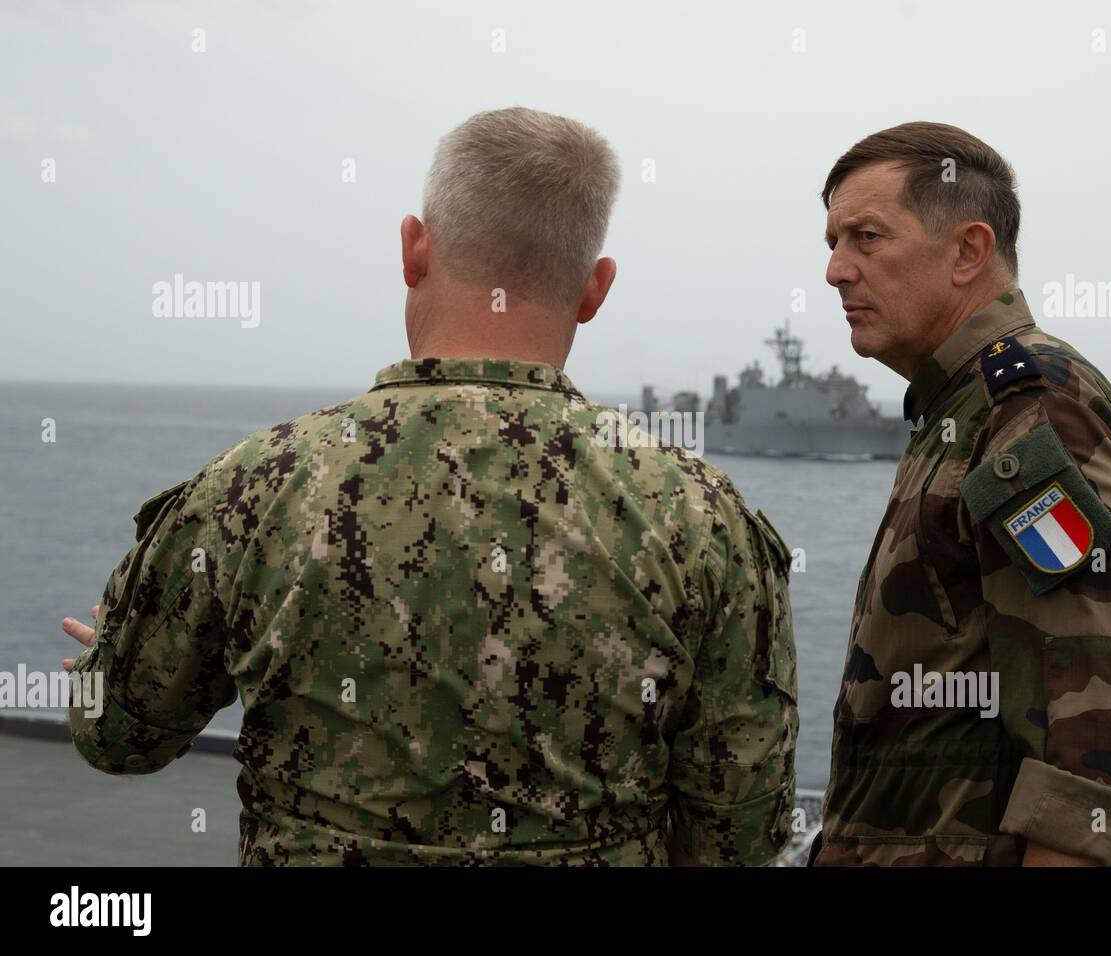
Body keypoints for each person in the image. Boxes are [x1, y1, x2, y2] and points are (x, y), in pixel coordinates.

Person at [61, 106, 797, 866]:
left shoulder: (253, 483)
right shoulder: (704, 516)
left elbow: (117, 735)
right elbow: (737, 838)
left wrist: (106, 663)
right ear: (595, 288)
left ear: (414, 248)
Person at [810, 122, 1111, 866]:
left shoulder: (1030, 410)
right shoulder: (961, 406)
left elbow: (1099, 738)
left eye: (867, 238)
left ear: (968, 252)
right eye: (832, 243)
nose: (836, 271)